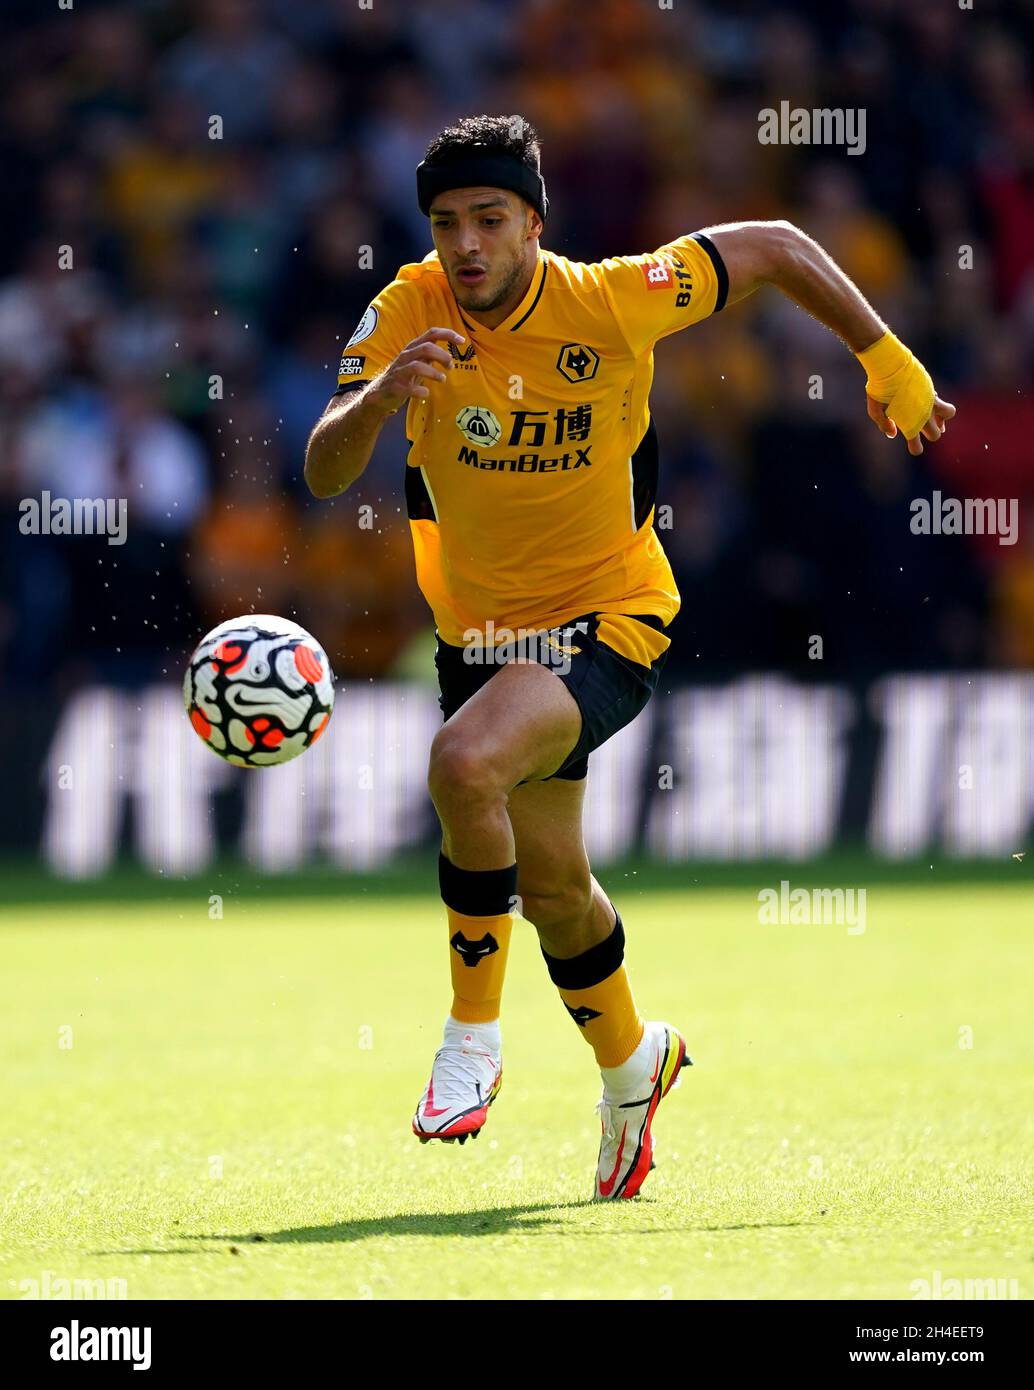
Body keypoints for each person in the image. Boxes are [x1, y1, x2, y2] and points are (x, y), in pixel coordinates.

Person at [304, 114, 955, 1200]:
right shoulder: (404, 308)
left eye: (488, 221)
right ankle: (632, 1061)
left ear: (533, 226)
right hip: (480, 636)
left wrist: (881, 357)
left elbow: (779, 247)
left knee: (463, 762)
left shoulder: (610, 298)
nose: (464, 245)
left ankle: (472, 1037)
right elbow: (325, 471)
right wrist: (379, 397)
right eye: (446, 224)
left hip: (609, 616)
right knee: (555, 888)